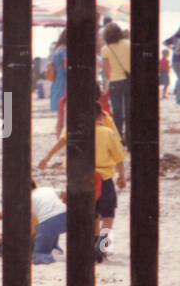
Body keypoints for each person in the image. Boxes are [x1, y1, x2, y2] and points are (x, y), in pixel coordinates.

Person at [38, 99, 126, 263]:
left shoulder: (73, 128)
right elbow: (119, 157)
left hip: (79, 176)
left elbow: (61, 142)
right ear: (100, 116)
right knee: (107, 215)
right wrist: (122, 176)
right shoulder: (107, 132)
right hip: (104, 177)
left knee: (90, 214)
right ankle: (101, 247)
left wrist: (47, 158)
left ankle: (91, 246)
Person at [0, 180, 68, 264]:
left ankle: (52, 257)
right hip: (66, 216)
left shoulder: (25, 203)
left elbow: (18, 236)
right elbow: (66, 195)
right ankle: (54, 249)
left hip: (45, 226)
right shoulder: (45, 190)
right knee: (52, 231)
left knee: (39, 254)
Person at [100, 21, 132, 149]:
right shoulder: (129, 44)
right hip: (129, 81)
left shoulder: (105, 49)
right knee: (130, 112)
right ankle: (130, 141)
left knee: (117, 113)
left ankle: (118, 142)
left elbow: (107, 72)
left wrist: (107, 82)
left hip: (115, 82)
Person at [47, 30, 68, 116]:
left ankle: (59, 126)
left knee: (59, 108)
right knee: (63, 106)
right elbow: (66, 65)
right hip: (63, 80)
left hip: (56, 80)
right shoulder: (64, 50)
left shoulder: (57, 49)